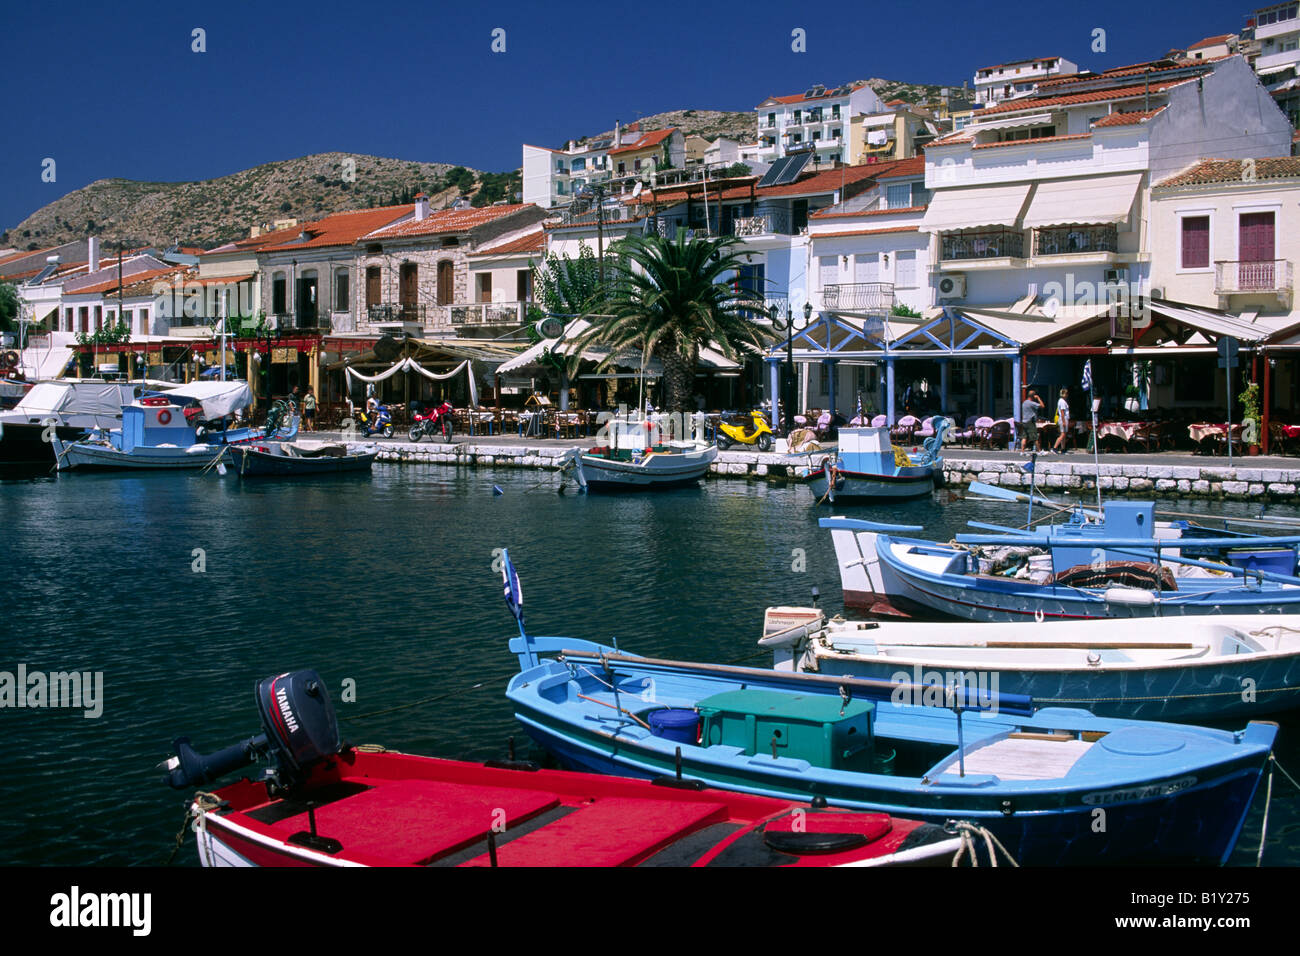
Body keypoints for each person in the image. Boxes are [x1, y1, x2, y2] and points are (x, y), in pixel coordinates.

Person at [1052, 388, 1071, 454]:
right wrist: (1063, 422)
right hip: (1064, 418)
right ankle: (1054, 447)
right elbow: (1062, 412)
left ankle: (1063, 449)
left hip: (1065, 418)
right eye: (1066, 393)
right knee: (1062, 434)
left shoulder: (1062, 401)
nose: (1067, 395)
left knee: (1064, 434)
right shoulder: (1062, 401)